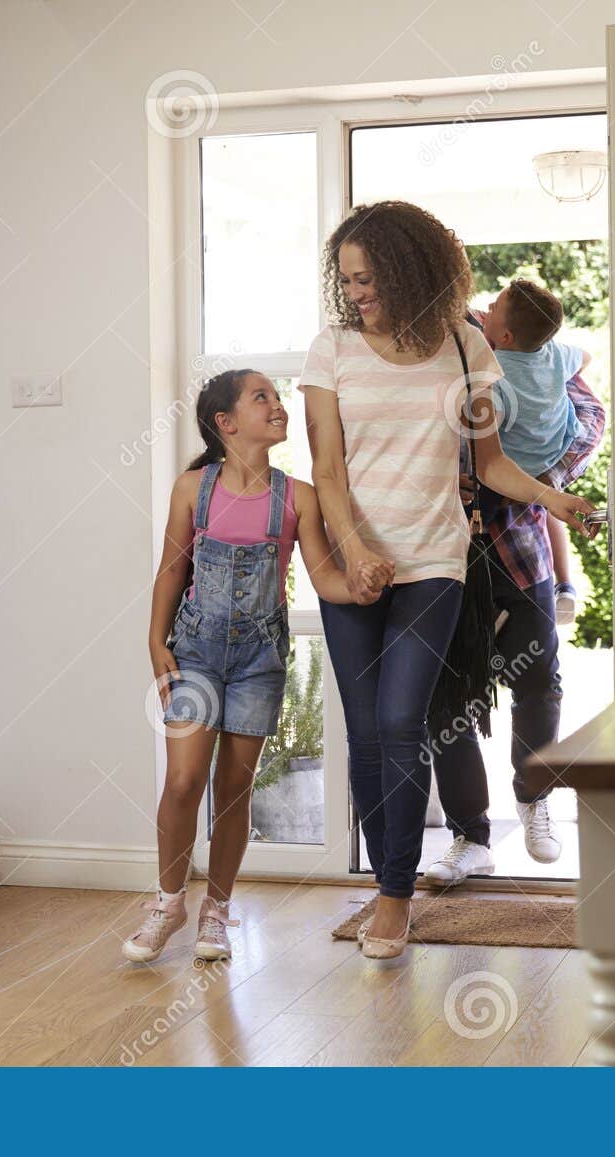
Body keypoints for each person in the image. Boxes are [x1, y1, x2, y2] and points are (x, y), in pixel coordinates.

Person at [301, 201, 596, 960]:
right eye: (348, 280)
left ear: (409, 269)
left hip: (433, 561)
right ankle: (388, 882)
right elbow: (327, 471)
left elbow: (490, 461)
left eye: (368, 278)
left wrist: (552, 496)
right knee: (367, 734)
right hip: (352, 565)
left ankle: (395, 895)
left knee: (403, 720)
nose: (357, 292)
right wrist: (357, 551)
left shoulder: (466, 347)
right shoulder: (331, 350)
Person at [125, 369, 384, 964]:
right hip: (193, 653)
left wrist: (360, 589)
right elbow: (171, 569)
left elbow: (321, 577)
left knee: (236, 789)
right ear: (225, 422)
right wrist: (155, 643)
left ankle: (217, 911)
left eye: (276, 396)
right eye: (260, 397)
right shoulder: (194, 489)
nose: (277, 404)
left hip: (258, 660)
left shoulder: (298, 496)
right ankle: (168, 903)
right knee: (185, 781)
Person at [423, 318, 607, 886]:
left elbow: (591, 416)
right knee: (447, 697)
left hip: (518, 547)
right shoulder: (405, 352)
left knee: (538, 680)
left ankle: (534, 796)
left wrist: (538, 478)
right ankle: (469, 838)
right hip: (437, 550)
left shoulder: (508, 342)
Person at [479, 278, 597, 626]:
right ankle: (565, 586)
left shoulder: (495, 373)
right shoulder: (553, 353)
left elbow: (491, 425)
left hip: (514, 471)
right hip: (556, 450)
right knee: (549, 506)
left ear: (505, 338)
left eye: (495, 307)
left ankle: (487, 600)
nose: (487, 308)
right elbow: (586, 357)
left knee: (478, 518)